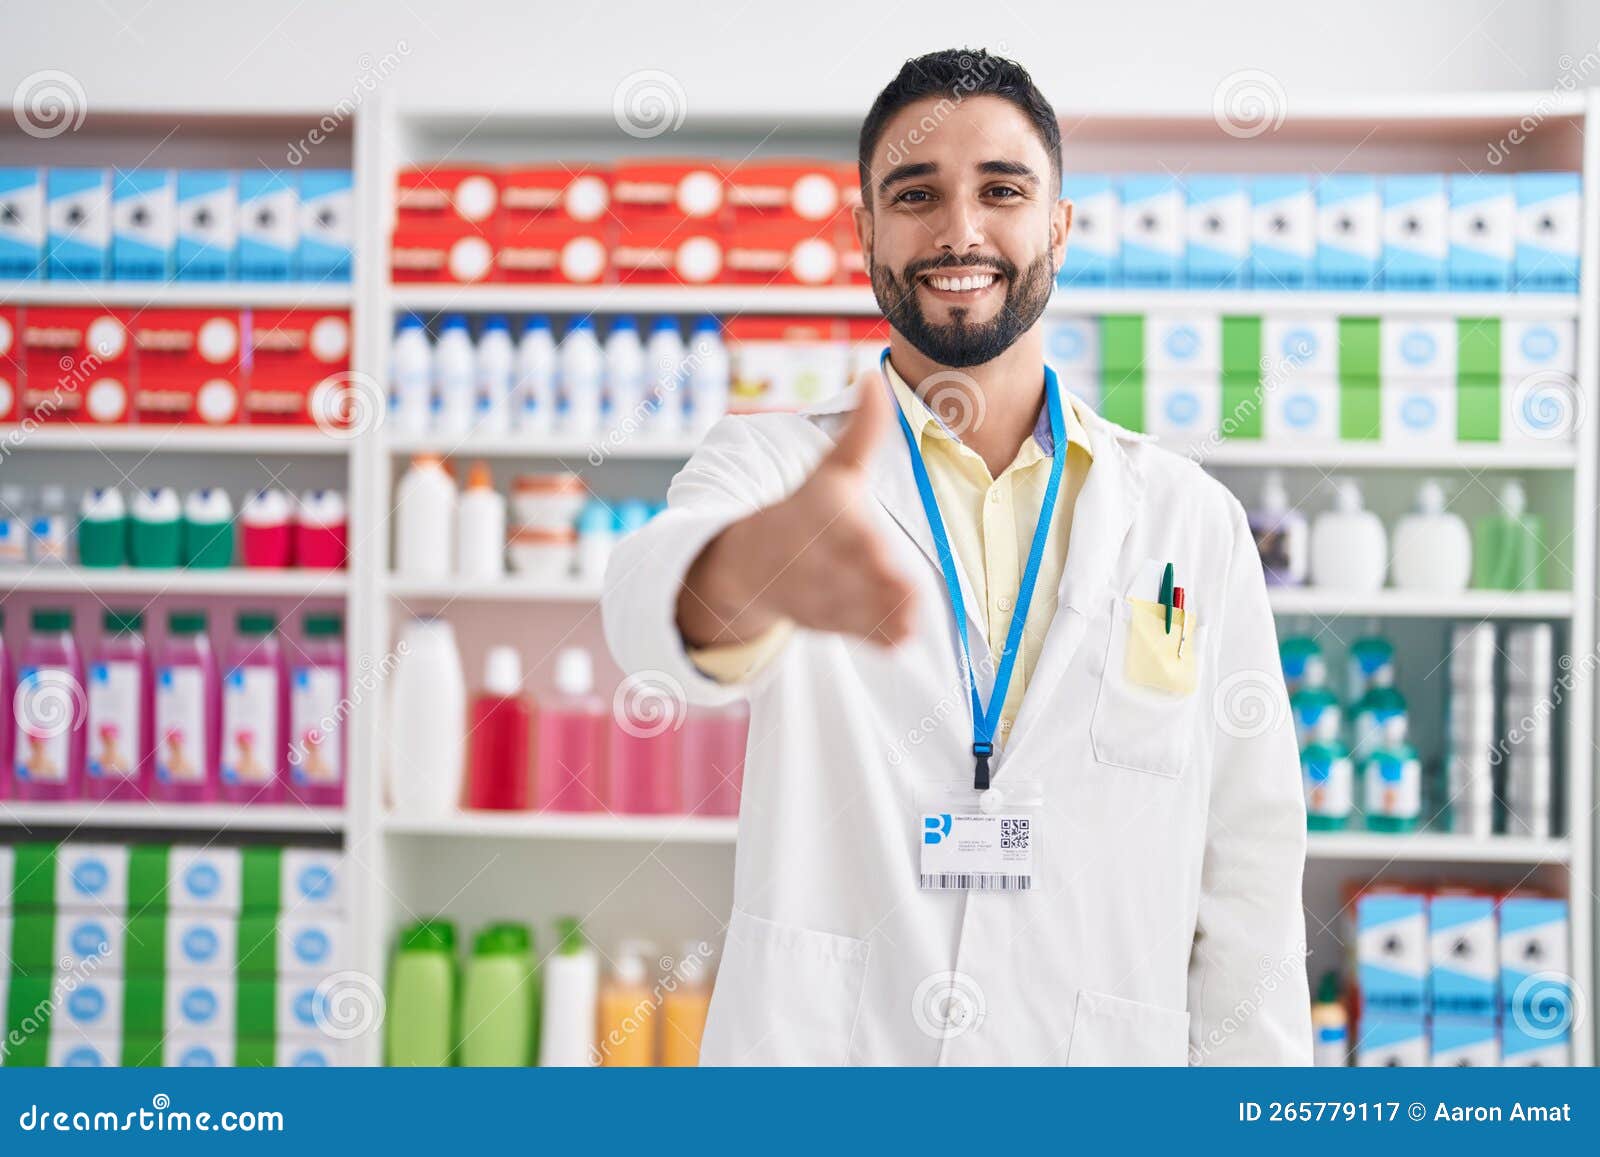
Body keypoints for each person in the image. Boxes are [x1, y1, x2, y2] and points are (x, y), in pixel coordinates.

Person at [602, 47, 1311, 1066]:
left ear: (1058, 223)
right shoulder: (775, 467)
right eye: (915, 193)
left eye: (1002, 190)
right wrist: (751, 566)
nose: (959, 230)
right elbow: (644, 606)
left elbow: (1248, 869)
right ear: (864, 232)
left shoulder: (1186, 519)